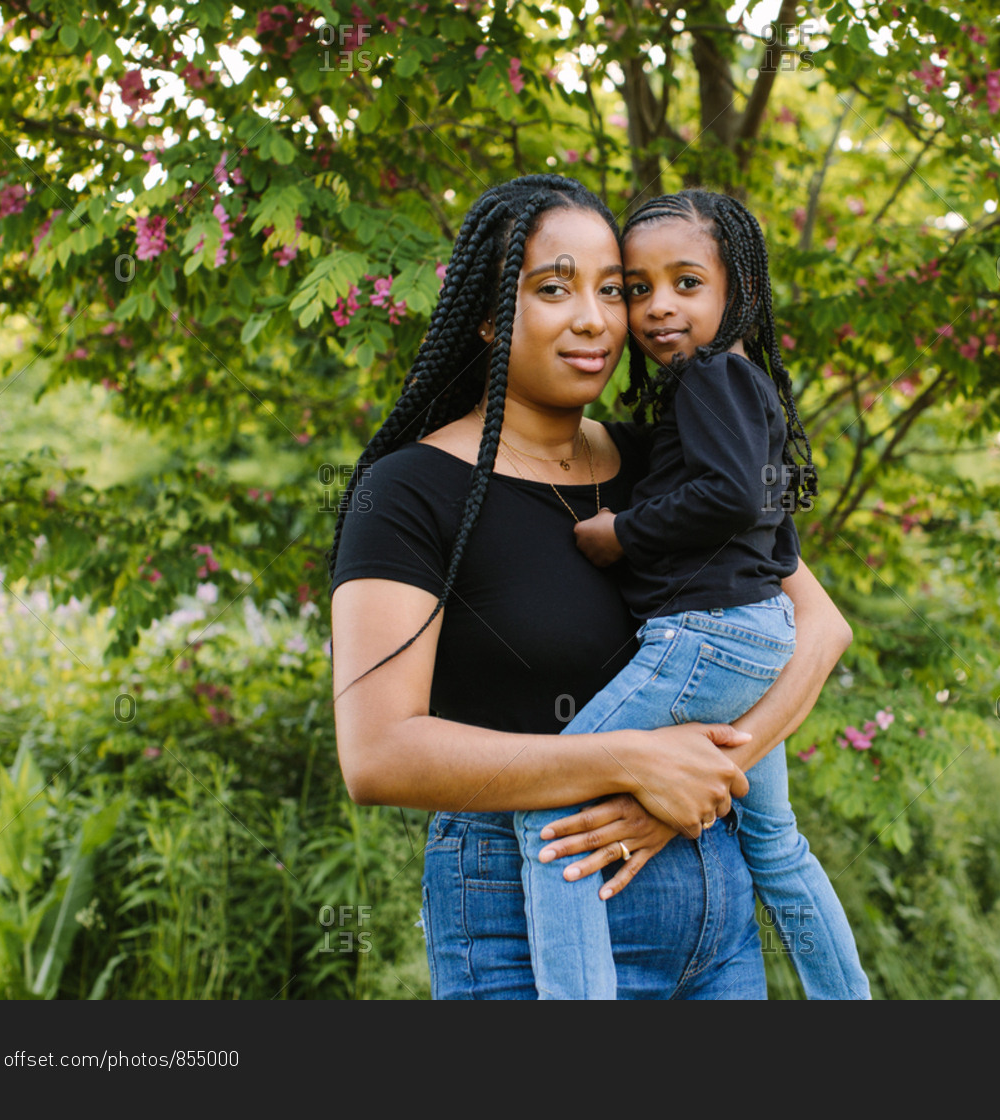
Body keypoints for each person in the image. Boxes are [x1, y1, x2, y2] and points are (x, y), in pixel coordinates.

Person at [328, 174, 855, 998]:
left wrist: (692, 781)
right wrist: (634, 764)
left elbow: (820, 631)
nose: (597, 318)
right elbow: (377, 754)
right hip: (520, 917)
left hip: (714, 926)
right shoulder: (411, 490)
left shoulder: (662, 463)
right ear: (490, 314)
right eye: (554, 288)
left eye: (613, 290)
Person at [513, 190, 871, 1000]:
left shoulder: (711, 376)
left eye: (685, 283)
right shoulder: (740, 386)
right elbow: (764, 518)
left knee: (551, 812)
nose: (658, 308)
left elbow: (733, 496)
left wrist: (622, 533)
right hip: (757, 636)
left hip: (705, 640)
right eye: (637, 289)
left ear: (735, 288)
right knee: (775, 841)